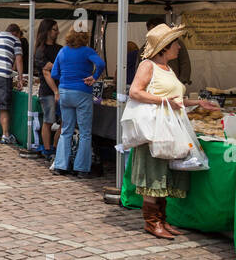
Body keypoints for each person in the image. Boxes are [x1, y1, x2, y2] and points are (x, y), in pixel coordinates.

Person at [129, 24, 223, 239]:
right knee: (154, 173)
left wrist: (197, 103)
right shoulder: (148, 65)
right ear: (164, 47)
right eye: (175, 43)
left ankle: (162, 219)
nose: (179, 47)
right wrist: (162, 101)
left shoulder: (168, 68)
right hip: (155, 129)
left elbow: (175, 100)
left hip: (171, 127)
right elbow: (135, 92)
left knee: (166, 173)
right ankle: (152, 223)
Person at [49, 29, 107, 178]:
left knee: (66, 130)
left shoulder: (62, 51)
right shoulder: (87, 51)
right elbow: (101, 63)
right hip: (82, 91)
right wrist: (93, 77)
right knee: (85, 132)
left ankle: (60, 165)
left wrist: (67, 76)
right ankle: (82, 168)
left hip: (65, 92)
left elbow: (54, 73)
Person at [32, 18, 62, 159]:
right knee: (48, 121)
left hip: (61, 89)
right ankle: (47, 149)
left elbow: (53, 67)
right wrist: (56, 90)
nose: (57, 32)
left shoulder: (60, 49)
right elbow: (46, 71)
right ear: (48, 31)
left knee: (64, 122)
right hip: (48, 91)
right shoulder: (40, 51)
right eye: (55, 29)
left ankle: (55, 147)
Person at [145, 16, 191, 87]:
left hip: (175, 83)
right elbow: (136, 90)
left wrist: (181, 82)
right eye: (150, 31)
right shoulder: (146, 50)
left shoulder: (177, 43)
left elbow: (185, 63)